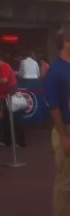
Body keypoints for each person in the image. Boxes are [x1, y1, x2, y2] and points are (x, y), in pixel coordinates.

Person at [45, 26, 70, 216]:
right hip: (66, 128)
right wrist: (64, 136)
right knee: (66, 183)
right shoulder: (55, 71)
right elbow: (54, 108)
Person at [0, 54, 25, 148]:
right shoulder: (7, 67)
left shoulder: (4, 66)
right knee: (8, 119)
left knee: (11, 119)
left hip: (8, 96)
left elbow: (4, 80)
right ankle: (9, 140)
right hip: (7, 95)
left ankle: (17, 141)